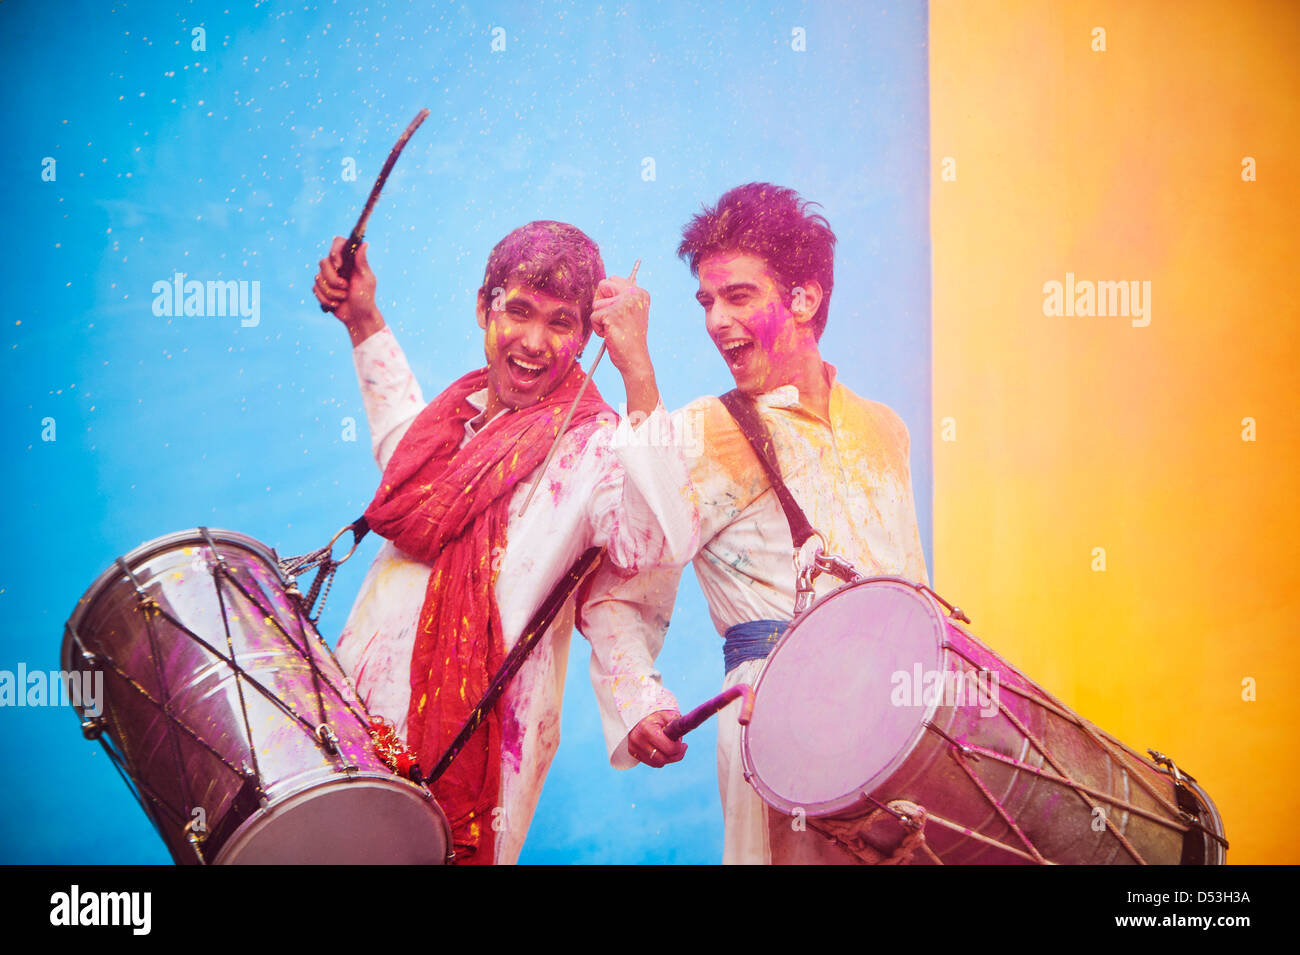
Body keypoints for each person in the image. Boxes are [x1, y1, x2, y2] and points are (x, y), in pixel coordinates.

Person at [312, 220, 697, 864]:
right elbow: (401, 453)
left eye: (560, 322)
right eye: (517, 311)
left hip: (478, 742)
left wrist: (637, 369)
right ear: (483, 307)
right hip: (356, 706)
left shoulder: (594, 448)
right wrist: (362, 320)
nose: (534, 342)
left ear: (584, 337)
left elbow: (655, 542)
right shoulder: (455, 416)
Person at [580, 183, 929, 864]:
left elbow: (916, 598)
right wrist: (640, 700)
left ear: (804, 298)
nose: (715, 321)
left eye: (738, 296)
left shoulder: (886, 429)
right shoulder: (702, 430)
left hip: (900, 735)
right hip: (777, 728)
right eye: (707, 302)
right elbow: (621, 582)